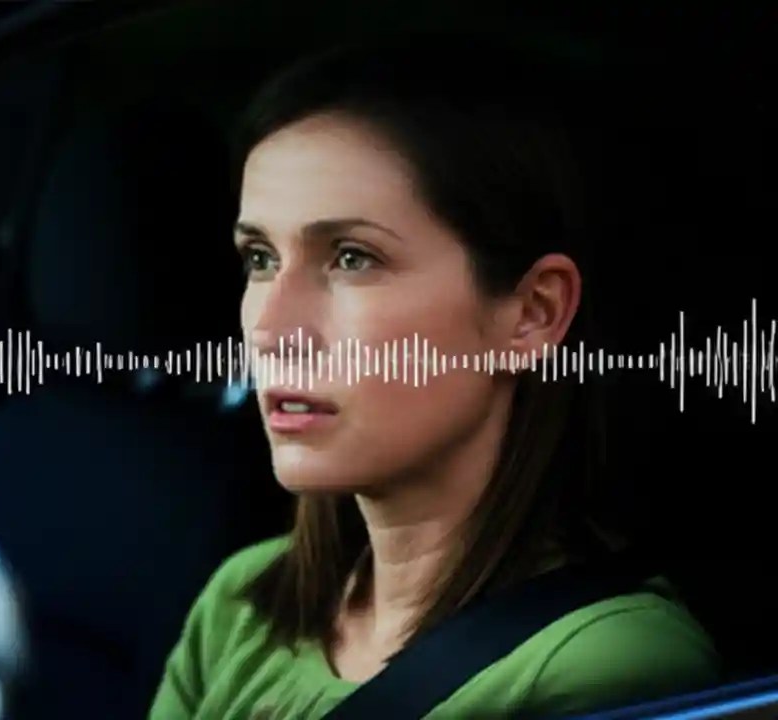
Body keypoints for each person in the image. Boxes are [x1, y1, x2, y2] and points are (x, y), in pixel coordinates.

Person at [149, 38, 721, 719]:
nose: (270, 328)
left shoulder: (609, 667)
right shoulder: (244, 602)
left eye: (353, 258)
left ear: (532, 315)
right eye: (261, 257)